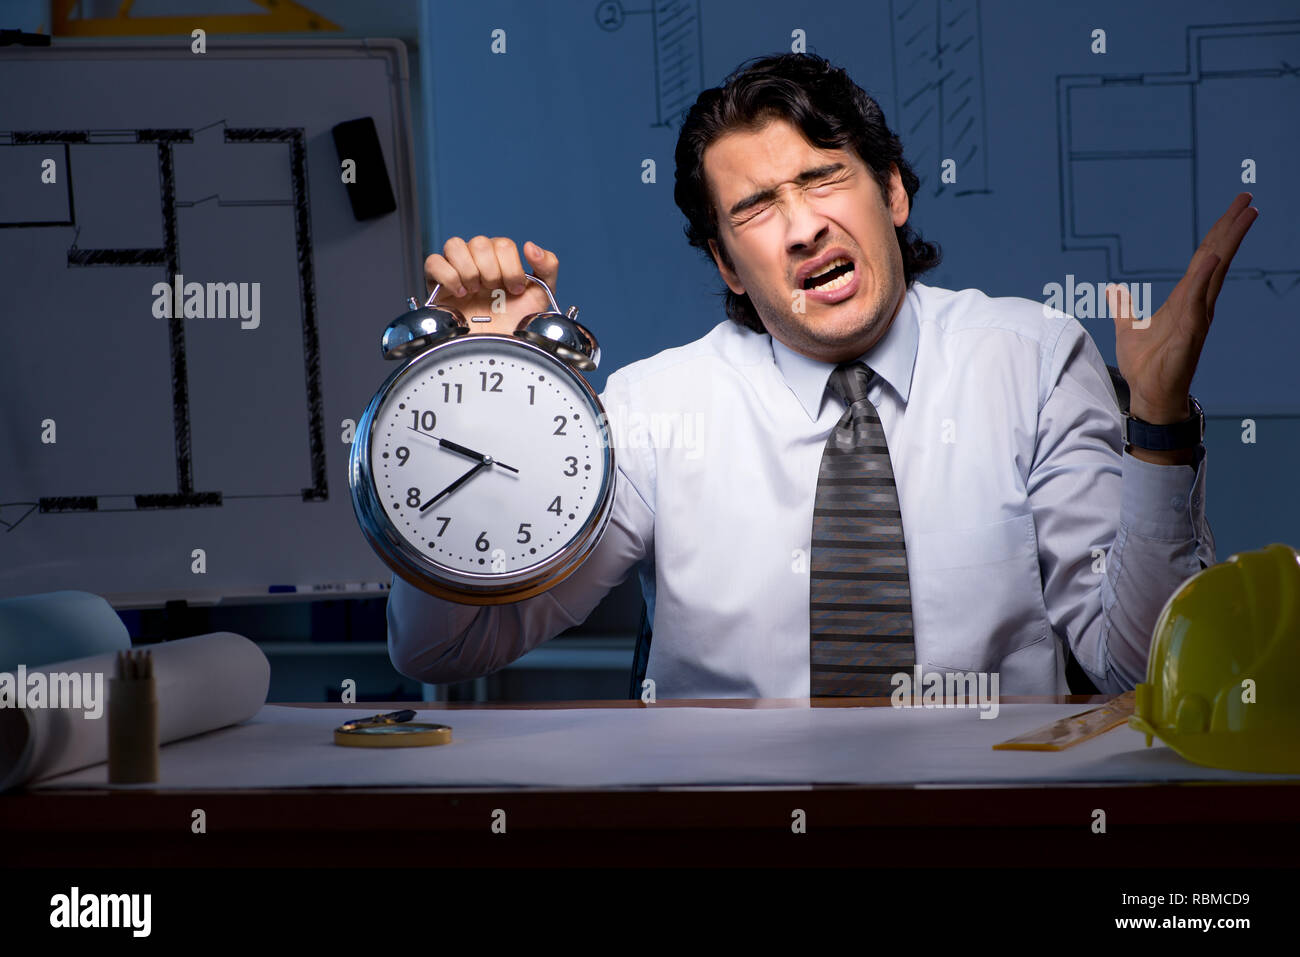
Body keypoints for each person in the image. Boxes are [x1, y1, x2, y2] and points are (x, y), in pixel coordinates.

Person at [387, 53, 1256, 698]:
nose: (802, 227)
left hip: (979, 835)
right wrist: (472, 392)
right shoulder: (656, 410)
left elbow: (1138, 667)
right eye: (756, 209)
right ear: (729, 265)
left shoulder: (1031, 359)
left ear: (892, 194)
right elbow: (442, 651)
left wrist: (1159, 421)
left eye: (823, 178)